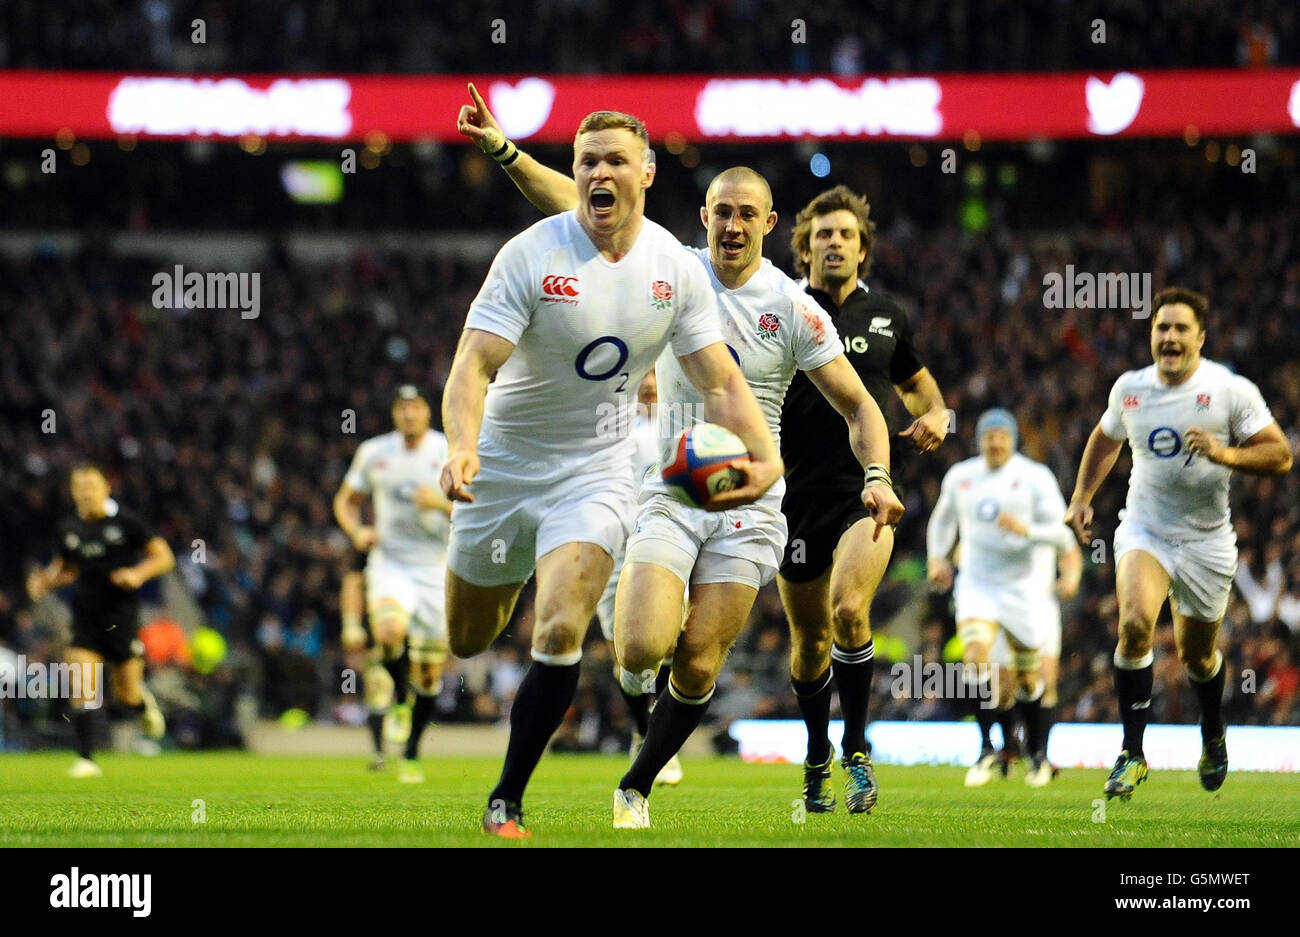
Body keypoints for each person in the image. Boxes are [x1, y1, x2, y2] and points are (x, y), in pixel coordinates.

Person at [460, 91, 903, 828]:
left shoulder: (795, 309)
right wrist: (504, 151)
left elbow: (861, 406)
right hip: (672, 485)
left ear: (768, 225)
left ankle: (634, 784)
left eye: (745, 213)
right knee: (638, 646)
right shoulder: (672, 269)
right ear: (704, 218)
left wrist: (879, 477)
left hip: (751, 503)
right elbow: (573, 196)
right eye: (719, 211)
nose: (731, 223)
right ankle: (641, 702)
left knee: (699, 659)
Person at [443, 102, 782, 838]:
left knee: (563, 623)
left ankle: (507, 798)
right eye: (588, 161)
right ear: (574, 172)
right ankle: (495, 607)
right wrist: (461, 446)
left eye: (616, 161)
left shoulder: (673, 269)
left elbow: (721, 378)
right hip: (500, 464)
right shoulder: (530, 253)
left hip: (594, 469)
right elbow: (473, 365)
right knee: (470, 637)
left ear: (647, 173)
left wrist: (767, 454)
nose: (600, 171)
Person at [1065, 287, 1292, 799]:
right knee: (1134, 623)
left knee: (1197, 657)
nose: (1169, 336)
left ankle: (1212, 730)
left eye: (1180, 328)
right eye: (1161, 328)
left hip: (1208, 542)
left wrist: (1224, 453)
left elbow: (1279, 456)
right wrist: (1082, 496)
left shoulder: (1230, 390)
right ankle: (1133, 752)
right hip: (1145, 529)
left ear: (1200, 337)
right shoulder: (1130, 389)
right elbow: (1106, 436)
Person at [779, 186, 951, 813]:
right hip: (791, 497)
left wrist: (940, 417)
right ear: (805, 246)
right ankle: (817, 751)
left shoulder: (887, 316)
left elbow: (928, 394)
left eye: (845, 234)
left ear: (862, 247)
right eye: (823, 234)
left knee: (851, 610)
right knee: (809, 643)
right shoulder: (782, 309)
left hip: (865, 490)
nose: (834, 243)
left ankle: (857, 751)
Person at [927, 408, 1077, 787]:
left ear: (1013, 439)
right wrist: (936, 557)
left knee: (1028, 680)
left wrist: (1026, 530)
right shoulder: (961, 477)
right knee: (976, 658)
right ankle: (987, 746)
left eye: (1002, 436)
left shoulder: (1034, 477)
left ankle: (1032, 750)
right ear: (979, 439)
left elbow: (1062, 536)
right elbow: (943, 521)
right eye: (989, 435)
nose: (995, 442)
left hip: (1026, 591)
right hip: (977, 584)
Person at [334, 385, 452, 784]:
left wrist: (439, 503)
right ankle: (400, 702)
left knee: (431, 674)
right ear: (394, 414)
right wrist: (356, 531)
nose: (408, 415)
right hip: (391, 562)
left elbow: (482, 504)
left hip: (435, 568)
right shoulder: (374, 452)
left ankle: (413, 753)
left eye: (415, 407)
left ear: (427, 413)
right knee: (388, 633)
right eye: (401, 408)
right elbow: (345, 499)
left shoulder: (448, 450)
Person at [25, 464, 174, 777]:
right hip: (85, 617)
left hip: (121, 617)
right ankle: (86, 759)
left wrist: (137, 573)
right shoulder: (68, 528)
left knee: (126, 695)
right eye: (80, 486)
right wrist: (45, 582)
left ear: (106, 488)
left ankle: (141, 705)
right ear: (73, 491)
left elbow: (164, 557)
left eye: (92, 485)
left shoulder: (127, 523)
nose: (86, 492)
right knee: (82, 682)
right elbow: (66, 569)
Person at [592, 370, 684, 787]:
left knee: (666, 643)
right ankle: (642, 731)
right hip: (614, 547)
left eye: (656, 371)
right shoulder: (607, 423)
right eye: (642, 372)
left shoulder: (684, 418)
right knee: (627, 656)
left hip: (665, 541)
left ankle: (657, 743)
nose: (649, 381)